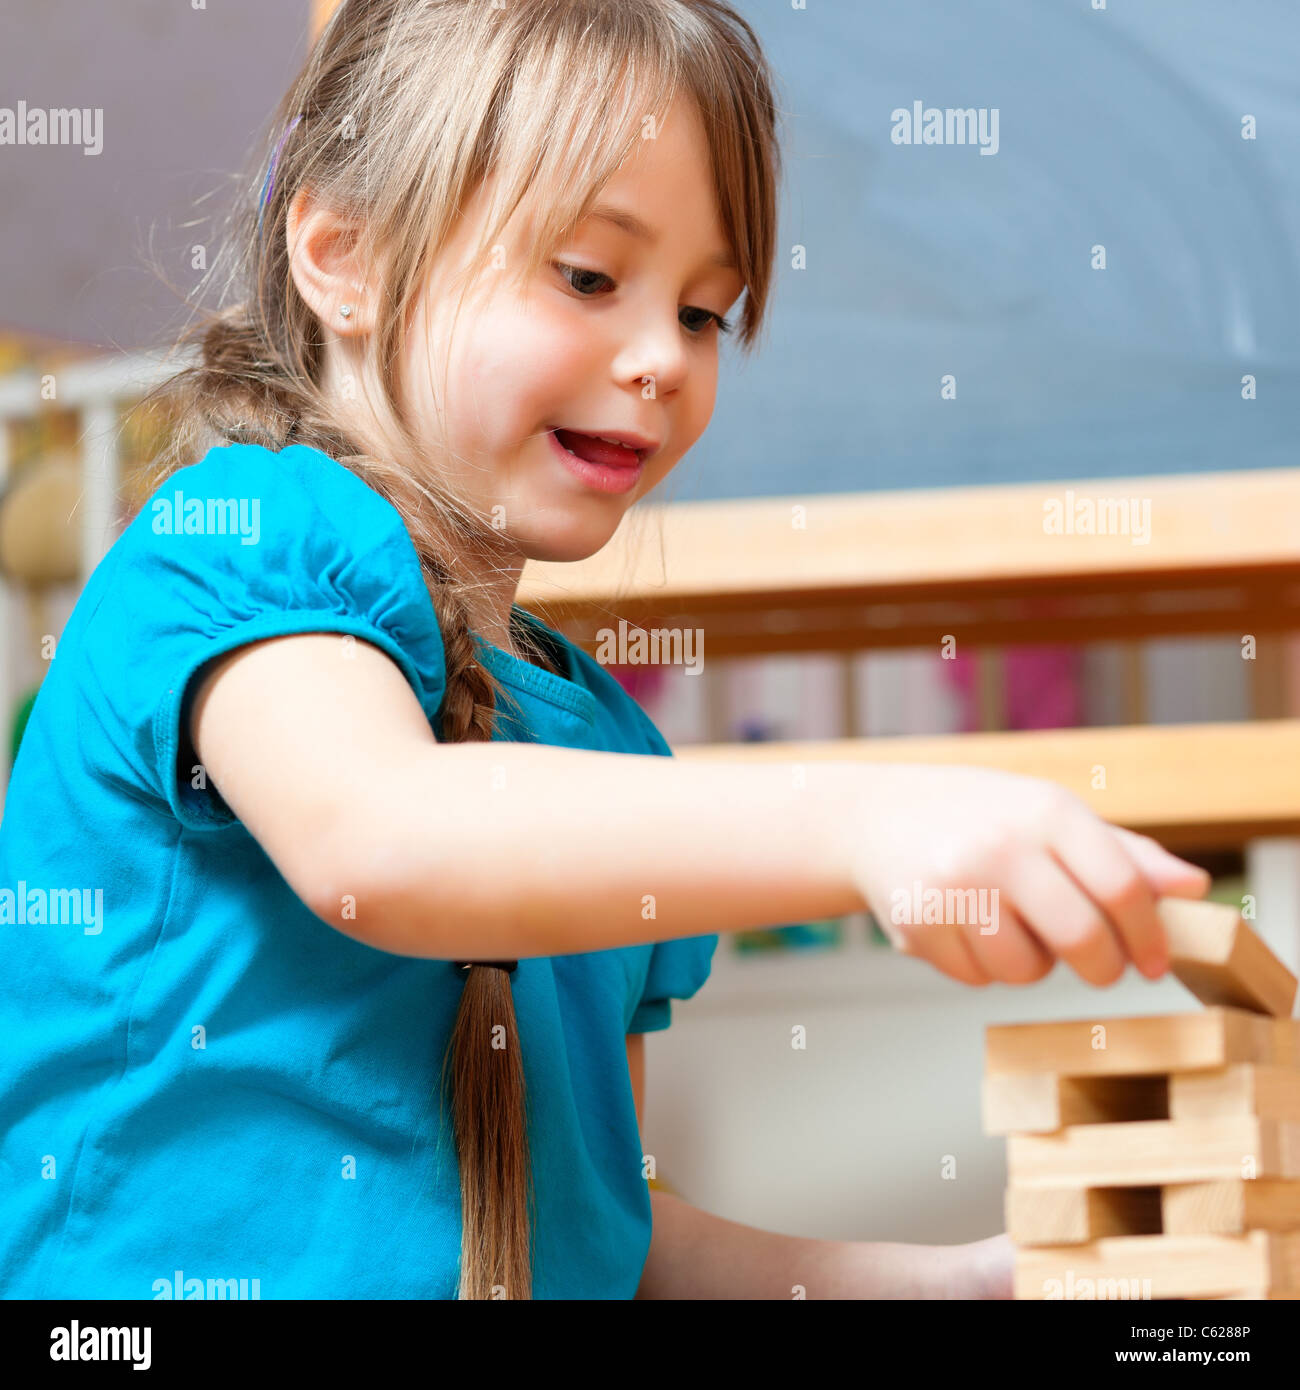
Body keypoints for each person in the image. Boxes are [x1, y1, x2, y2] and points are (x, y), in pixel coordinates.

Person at [0, 0, 1209, 1300]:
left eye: (705, 312)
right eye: (588, 275)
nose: (660, 360)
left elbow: (605, 1238)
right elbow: (380, 839)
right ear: (341, 257)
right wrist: (871, 817)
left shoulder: (601, 751)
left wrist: (958, 1281)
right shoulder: (241, 536)